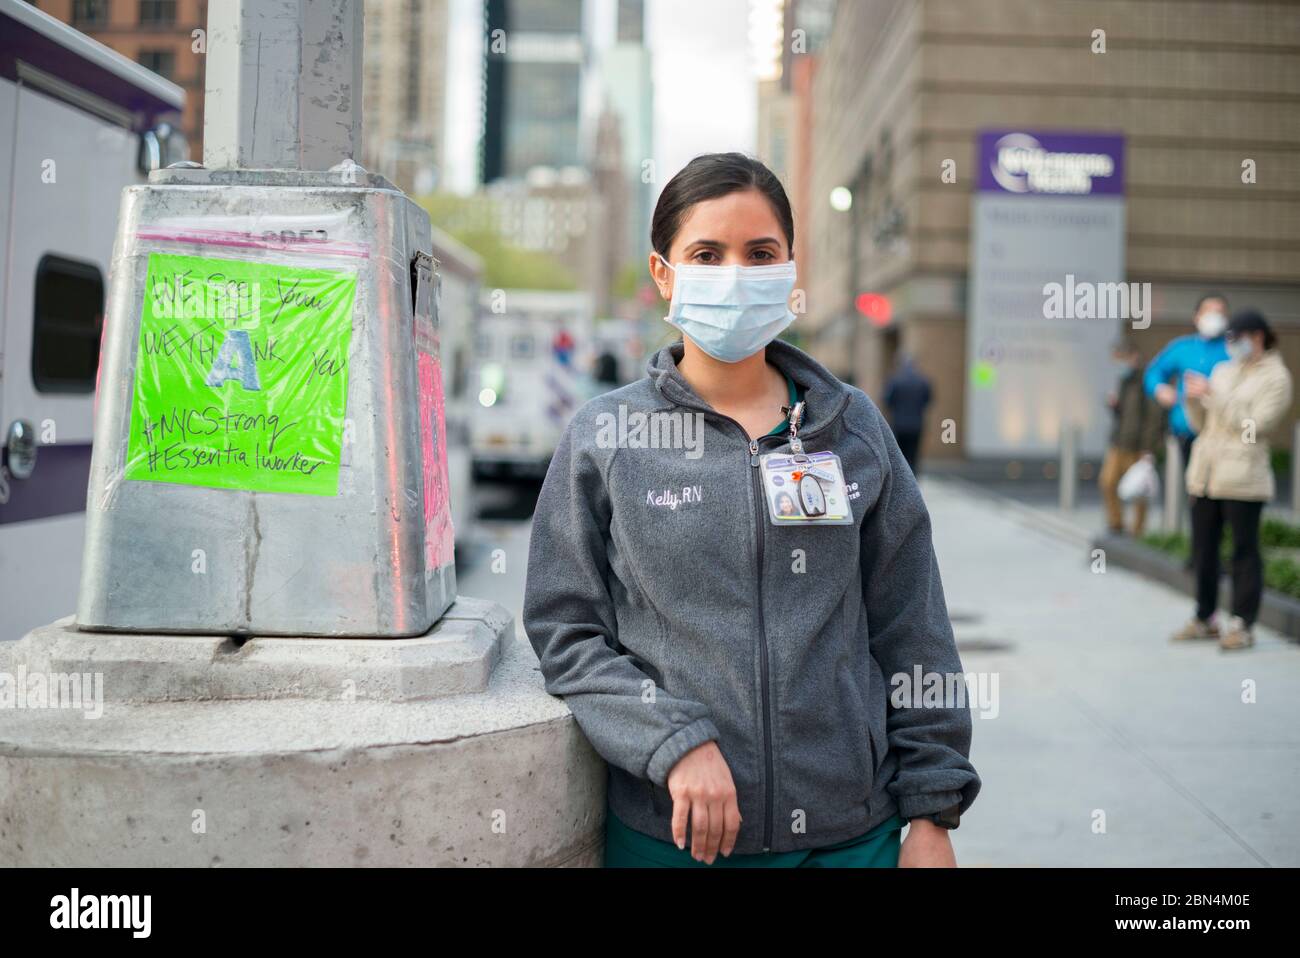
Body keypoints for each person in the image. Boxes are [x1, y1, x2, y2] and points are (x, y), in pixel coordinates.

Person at [522, 152, 979, 869]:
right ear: (663, 273)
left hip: (851, 838)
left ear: (790, 270)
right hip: (674, 838)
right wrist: (671, 738)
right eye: (707, 253)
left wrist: (933, 811)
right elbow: (566, 631)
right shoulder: (605, 438)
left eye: (759, 253)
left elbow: (912, 626)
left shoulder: (852, 428)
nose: (735, 273)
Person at [1173, 309, 1293, 650]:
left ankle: (1242, 623)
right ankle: (1205, 617)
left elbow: (1257, 427)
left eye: (1235, 338)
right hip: (1207, 474)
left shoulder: (1276, 377)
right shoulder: (1223, 371)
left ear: (1257, 337)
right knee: (1204, 550)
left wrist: (1215, 396)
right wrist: (1194, 400)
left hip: (1244, 477)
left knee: (1244, 551)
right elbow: (1201, 424)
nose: (1231, 345)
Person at [1099, 340, 1164, 536]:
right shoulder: (1124, 381)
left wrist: (1148, 448)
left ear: (1132, 356)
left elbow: (1154, 416)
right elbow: (1124, 414)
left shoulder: (1147, 380)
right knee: (1108, 482)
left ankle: (1138, 530)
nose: (1118, 363)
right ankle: (1116, 523)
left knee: (1138, 490)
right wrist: (1114, 406)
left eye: (1120, 358)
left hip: (1139, 445)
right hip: (1119, 441)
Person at [883, 352, 933, 475]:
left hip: (899, 424)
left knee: (900, 454)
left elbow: (887, 400)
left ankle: (903, 478)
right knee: (914, 453)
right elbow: (928, 400)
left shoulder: (895, 380)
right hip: (917, 423)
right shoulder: (923, 381)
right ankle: (914, 478)